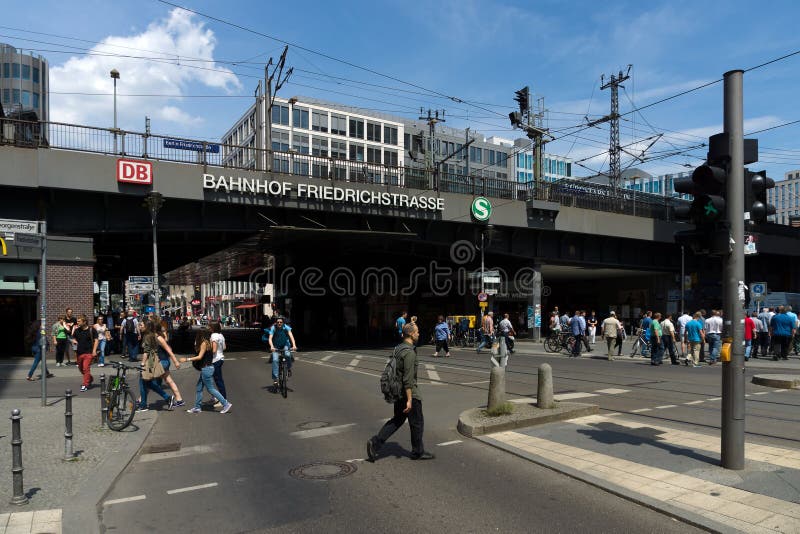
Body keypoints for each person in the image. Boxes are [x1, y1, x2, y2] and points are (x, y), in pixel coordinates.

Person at [366, 322, 434, 462]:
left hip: (398, 391)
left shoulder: (399, 348)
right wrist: (409, 400)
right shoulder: (409, 353)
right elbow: (408, 379)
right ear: (411, 334)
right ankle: (417, 452)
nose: (419, 334)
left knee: (397, 420)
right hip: (410, 394)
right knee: (417, 423)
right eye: (417, 332)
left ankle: (375, 443)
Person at [180, 329, 232, 414]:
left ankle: (225, 403)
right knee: (199, 388)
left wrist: (186, 359)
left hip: (206, 368)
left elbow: (199, 357)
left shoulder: (204, 343)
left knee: (210, 389)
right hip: (208, 368)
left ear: (200, 335)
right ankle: (197, 407)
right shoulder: (209, 342)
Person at [137, 320, 178, 412]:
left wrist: (142, 363)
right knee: (149, 383)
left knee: (143, 382)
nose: (140, 326)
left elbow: (146, 352)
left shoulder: (148, 336)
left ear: (146, 326)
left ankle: (143, 405)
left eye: (141, 325)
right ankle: (167, 398)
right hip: (153, 360)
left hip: (150, 361)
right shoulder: (152, 335)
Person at [267, 317, 298, 389]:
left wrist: (294, 345)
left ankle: (289, 368)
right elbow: (270, 338)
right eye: (278, 322)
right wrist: (272, 346)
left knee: (287, 355)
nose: (279, 323)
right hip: (276, 346)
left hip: (285, 344)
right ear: (276, 323)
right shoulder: (273, 328)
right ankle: (275, 380)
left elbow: (291, 336)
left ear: (283, 323)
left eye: (280, 322)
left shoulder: (286, 327)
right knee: (275, 360)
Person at [73, 315, 98, 392]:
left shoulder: (92, 330)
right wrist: (74, 341)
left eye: (79, 321)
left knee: (85, 368)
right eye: (77, 321)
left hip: (88, 353)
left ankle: (85, 385)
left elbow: (96, 340)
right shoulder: (77, 330)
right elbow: (73, 338)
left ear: (84, 322)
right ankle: (90, 378)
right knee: (81, 369)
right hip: (79, 353)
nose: (77, 322)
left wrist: (94, 351)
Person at [209, 322, 228, 406]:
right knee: (217, 380)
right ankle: (217, 397)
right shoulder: (221, 335)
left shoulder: (213, 336)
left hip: (215, 359)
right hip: (220, 358)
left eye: (209, 326)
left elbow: (214, 350)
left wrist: (205, 350)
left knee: (217, 381)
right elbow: (224, 347)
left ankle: (222, 400)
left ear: (213, 327)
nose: (208, 328)